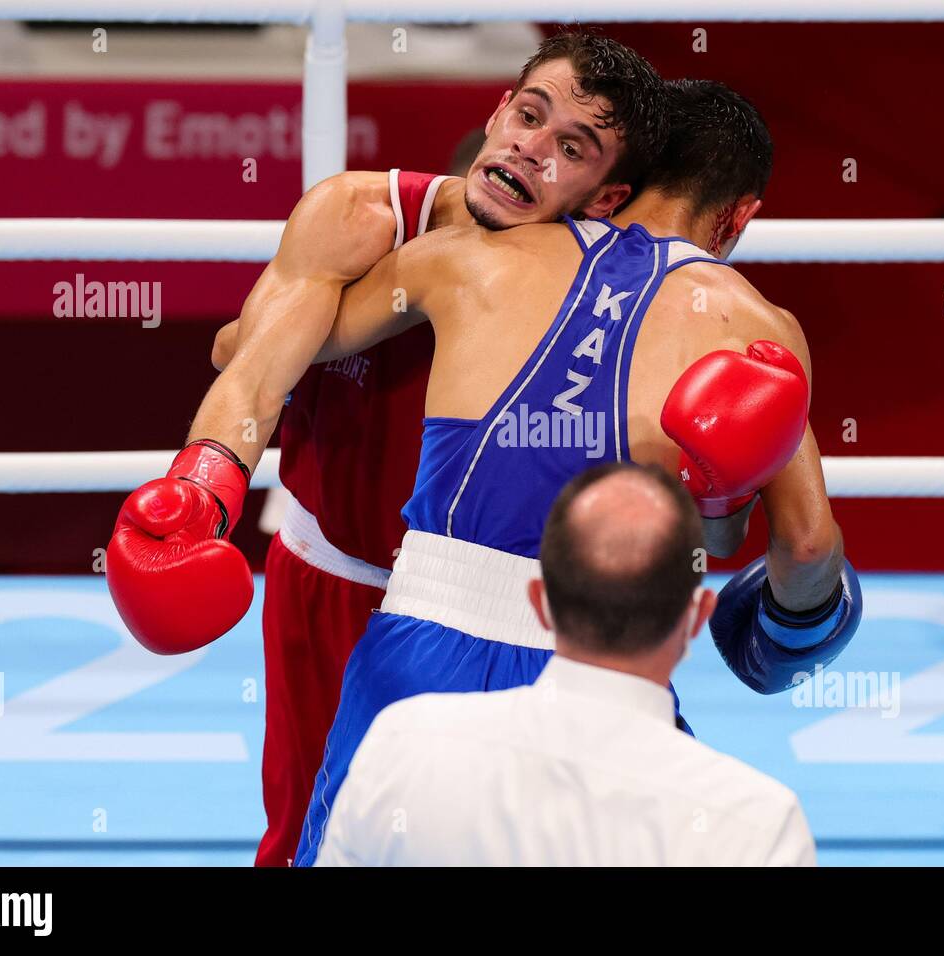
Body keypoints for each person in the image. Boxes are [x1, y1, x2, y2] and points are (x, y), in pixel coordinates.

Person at [105, 32, 669, 866]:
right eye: (528, 114)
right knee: (309, 830)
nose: (530, 148)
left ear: (603, 196)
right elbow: (253, 371)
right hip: (333, 570)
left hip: (486, 608)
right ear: (496, 111)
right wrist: (202, 490)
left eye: (570, 148)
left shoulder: (606, 288)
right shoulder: (358, 215)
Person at [294, 78, 860, 866]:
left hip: (417, 642)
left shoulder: (484, 248)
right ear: (739, 217)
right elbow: (805, 551)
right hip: (605, 668)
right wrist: (789, 624)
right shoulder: (756, 330)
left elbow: (272, 344)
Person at [315, 463, 817, 867]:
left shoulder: (400, 747)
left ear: (541, 601)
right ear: (696, 618)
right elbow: (809, 544)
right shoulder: (755, 824)